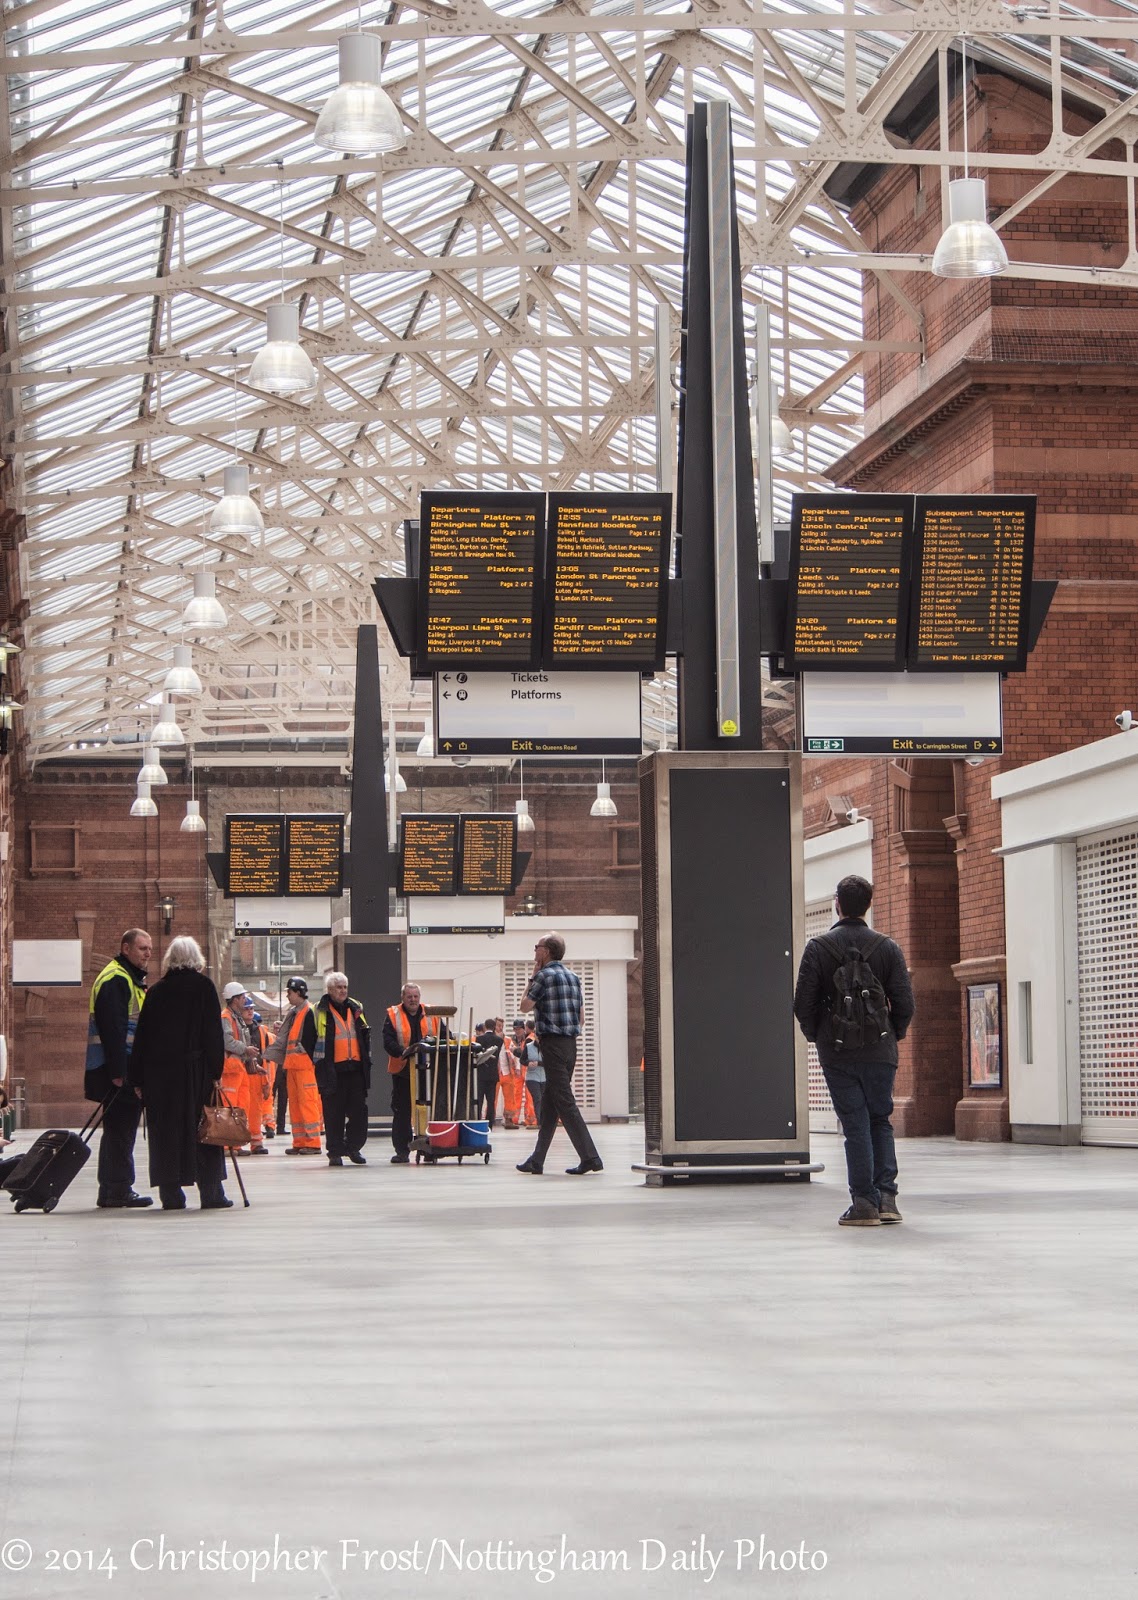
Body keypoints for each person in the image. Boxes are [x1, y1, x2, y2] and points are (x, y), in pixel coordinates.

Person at [793, 874, 915, 1227]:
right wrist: (894, 1034)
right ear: (869, 904)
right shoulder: (888, 948)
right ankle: (887, 1199)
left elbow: (803, 1004)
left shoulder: (819, 947)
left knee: (855, 1125)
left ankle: (864, 1203)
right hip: (881, 1050)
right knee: (880, 1120)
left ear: (837, 904)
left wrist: (820, 1036)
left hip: (839, 1053)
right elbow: (905, 1002)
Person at [126, 936, 231, 1211]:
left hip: (161, 1076)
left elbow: (142, 1038)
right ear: (196, 958)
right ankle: (211, 1193)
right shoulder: (204, 987)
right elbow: (213, 1034)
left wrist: (137, 1079)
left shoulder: (157, 991)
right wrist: (216, 1072)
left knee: (166, 1132)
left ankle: (171, 1195)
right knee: (205, 1130)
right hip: (197, 1073)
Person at [516, 933, 602, 1176]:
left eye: (537, 948)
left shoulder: (543, 976)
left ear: (546, 951)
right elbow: (581, 1018)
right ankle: (537, 1160)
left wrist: (533, 975)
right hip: (570, 1046)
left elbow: (524, 1005)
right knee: (551, 1105)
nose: (534, 951)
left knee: (564, 1101)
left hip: (552, 1046)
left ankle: (591, 1157)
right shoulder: (573, 977)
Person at [84, 927, 154, 1209]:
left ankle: (113, 1189)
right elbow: (113, 1031)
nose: (148, 953)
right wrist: (119, 1073)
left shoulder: (127, 978)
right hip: (117, 1070)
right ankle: (117, 1190)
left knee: (118, 1130)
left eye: (150, 948)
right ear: (126, 948)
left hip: (118, 1067)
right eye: (142, 948)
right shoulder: (116, 979)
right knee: (121, 1131)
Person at [305, 972, 371, 1167]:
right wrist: (320, 1062)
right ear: (329, 990)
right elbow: (307, 1040)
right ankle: (335, 1152)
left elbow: (365, 1035)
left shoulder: (356, 1007)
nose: (342, 991)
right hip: (331, 1071)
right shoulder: (318, 1011)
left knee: (359, 1112)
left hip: (356, 1070)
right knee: (333, 1114)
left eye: (344, 987)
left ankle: (353, 1147)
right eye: (338, 987)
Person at [382, 982, 442, 1164]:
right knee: (402, 1113)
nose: (413, 1000)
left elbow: (444, 1035)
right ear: (403, 998)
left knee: (429, 1111)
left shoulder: (431, 1013)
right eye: (409, 997)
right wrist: (404, 1052)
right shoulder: (393, 1015)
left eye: (416, 996)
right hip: (403, 1072)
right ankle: (402, 1151)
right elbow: (388, 1041)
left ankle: (431, 1147)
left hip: (428, 1072)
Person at [266, 977, 322, 1155]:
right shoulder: (296, 1012)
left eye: (289, 992)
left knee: (307, 1103)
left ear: (298, 992)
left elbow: (313, 1037)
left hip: (305, 1067)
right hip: (293, 1066)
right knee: (296, 1105)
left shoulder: (309, 1011)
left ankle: (313, 1142)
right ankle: (300, 1141)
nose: (287, 995)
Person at [220, 982, 268, 1154]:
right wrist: (245, 1049)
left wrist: (254, 1065)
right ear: (234, 999)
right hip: (230, 1069)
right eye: (241, 997)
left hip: (239, 1068)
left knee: (240, 1108)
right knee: (229, 1107)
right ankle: (226, 1145)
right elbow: (227, 1042)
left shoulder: (236, 1017)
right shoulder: (226, 1017)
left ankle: (235, 1144)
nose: (244, 1000)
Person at [242, 997, 277, 1142]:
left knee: (256, 1109)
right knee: (241, 1107)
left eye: (251, 1008)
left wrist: (266, 1078)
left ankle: (256, 1141)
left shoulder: (261, 1031)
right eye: (247, 1008)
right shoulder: (237, 1027)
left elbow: (265, 1056)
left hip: (257, 1073)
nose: (250, 1011)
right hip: (241, 1072)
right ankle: (236, 1143)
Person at [473, 1018, 503, 1128]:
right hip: (492, 1074)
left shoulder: (478, 1039)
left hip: (481, 1074)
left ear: (485, 1027)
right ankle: (490, 1123)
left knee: (479, 1099)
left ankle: (478, 1121)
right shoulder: (499, 1040)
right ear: (494, 1027)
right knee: (491, 1101)